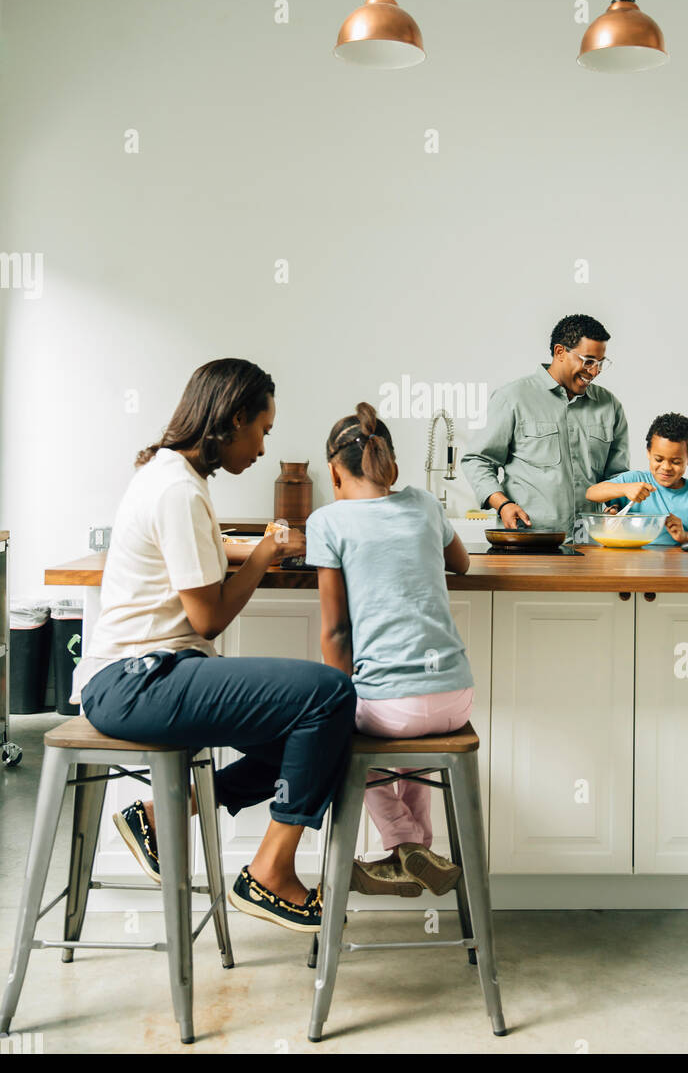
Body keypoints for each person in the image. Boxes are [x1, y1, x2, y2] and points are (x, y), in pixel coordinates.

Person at [74, 358, 356, 933]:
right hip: (138, 682)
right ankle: (269, 874)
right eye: (263, 429)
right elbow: (207, 618)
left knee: (320, 735)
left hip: (137, 676)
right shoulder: (179, 489)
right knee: (329, 695)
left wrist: (245, 544)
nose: (261, 446)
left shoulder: (170, 475)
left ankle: (165, 813)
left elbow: (193, 549)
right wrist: (261, 555)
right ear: (232, 419)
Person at [303, 401, 473, 898]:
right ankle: (417, 848)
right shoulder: (423, 504)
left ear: (334, 472)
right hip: (454, 698)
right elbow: (460, 563)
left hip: (392, 709)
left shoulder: (328, 523)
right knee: (411, 743)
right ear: (390, 462)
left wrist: (340, 700)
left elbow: (336, 633)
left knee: (349, 734)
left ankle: (400, 844)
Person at [461, 313, 630, 540]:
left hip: (591, 541)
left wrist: (614, 507)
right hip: (528, 539)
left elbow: (618, 477)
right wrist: (503, 504)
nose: (594, 371)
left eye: (600, 363)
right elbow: (478, 460)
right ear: (560, 352)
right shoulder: (512, 398)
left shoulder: (610, 406)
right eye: (588, 361)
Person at [586, 411, 688, 546]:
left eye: (675, 462)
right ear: (648, 453)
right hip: (633, 563)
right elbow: (591, 493)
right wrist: (624, 489)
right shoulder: (634, 480)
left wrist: (685, 536)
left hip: (677, 564)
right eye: (658, 459)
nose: (666, 467)